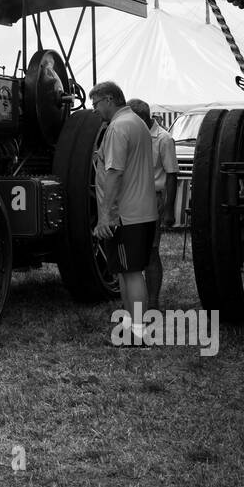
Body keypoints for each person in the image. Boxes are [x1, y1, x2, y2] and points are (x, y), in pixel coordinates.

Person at [89, 81, 156, 339]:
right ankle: (131, 328)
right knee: (128, 272)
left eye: (96, 104)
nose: (95, 110)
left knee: (130, 274)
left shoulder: (117, 127)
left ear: (109, 99)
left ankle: (137, 332)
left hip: (126, 215)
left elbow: (114, 173)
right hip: (141, 211)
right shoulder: (137, 123)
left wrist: (105, 215)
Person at [128, 98, 178, 309]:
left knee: (151, 251)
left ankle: (153, 302)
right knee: (133, 251)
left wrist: (168, 210)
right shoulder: (131, 135)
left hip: (152, 198)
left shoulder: (164, 139)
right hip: (130, 198)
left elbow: (172, 175)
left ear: (143, 118)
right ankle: (135, 298)